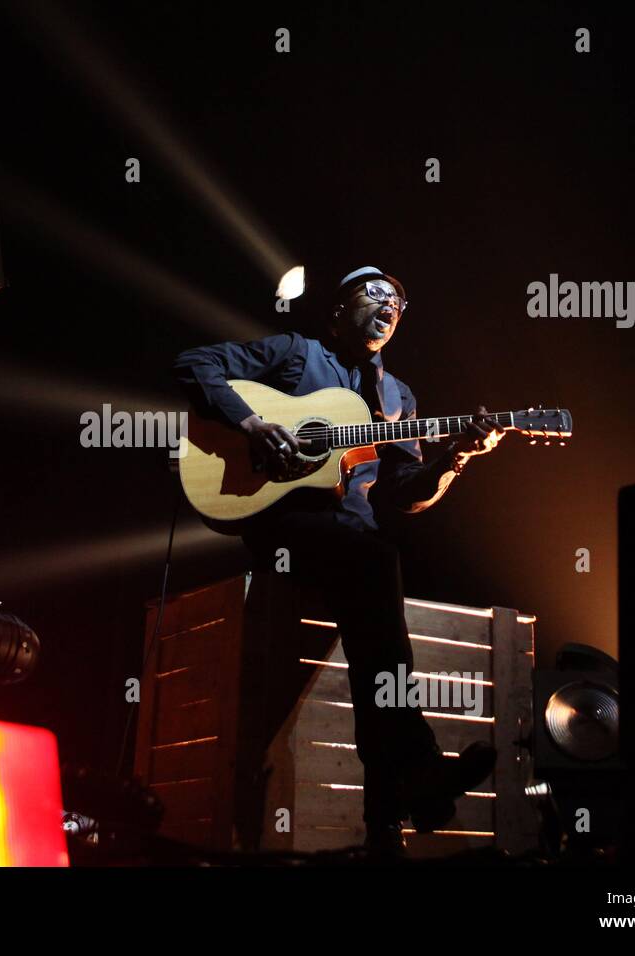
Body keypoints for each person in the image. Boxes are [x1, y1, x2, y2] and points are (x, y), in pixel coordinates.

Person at [173, 266, 504, 857]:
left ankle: (389, 825)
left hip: (353, 543)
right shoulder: (295, 353)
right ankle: (418, 782)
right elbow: (193, 364)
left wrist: (457, 457)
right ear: (337, 310)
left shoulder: (398, 397)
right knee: (377, 579)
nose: (390, 304)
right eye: (375, 293)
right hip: (284, 526)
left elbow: (406, 494)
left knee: (378, 649)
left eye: (399, 301)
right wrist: (252, 424)